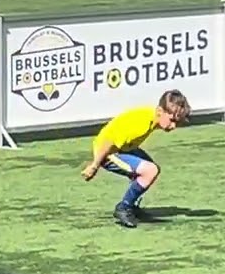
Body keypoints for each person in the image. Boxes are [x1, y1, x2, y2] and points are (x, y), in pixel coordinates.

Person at [80, 90, 192, 228]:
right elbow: (108, 142)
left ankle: (132, 206)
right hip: (107, 152)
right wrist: (95, 165)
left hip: (123, 148)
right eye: (172, 120)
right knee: (149, 171)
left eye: (177, 122)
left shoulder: (152, 117)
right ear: (159, 111)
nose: (173, 126)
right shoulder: (141, 123)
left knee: (150, 168)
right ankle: (123, 208)